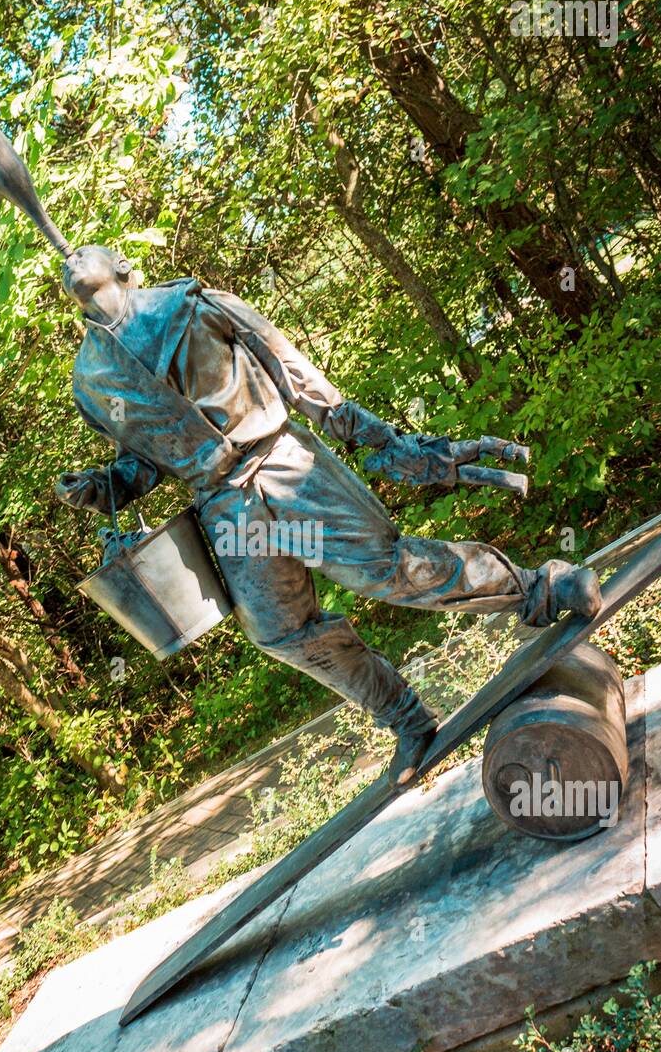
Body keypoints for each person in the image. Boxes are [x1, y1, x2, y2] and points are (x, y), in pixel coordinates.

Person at [56, 246, 601, 786]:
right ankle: (408, 719)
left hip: (282, 462)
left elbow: (289, 367)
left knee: (386, 568)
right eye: (66, 257)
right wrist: (104, 487)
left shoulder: (192, 303)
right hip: (227, 509)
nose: (72, 255)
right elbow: (144, 457)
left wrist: (380, 439)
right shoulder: (92, 380)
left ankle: (543, 588)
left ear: (123, 265)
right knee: (280, 632)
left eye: (86, 248)